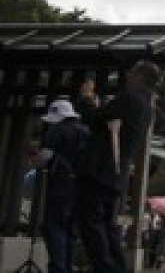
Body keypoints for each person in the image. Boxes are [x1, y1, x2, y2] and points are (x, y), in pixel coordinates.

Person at [75, 59, 160, 273]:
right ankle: (117, 267)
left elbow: (94, 118)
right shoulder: (147, 107)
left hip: (100, 168)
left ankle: (106, 268)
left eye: (132, 73)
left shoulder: (129, 98)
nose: (128, 77)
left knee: (92, 224)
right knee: (109, 226)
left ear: (139, 77)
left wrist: (86, 99)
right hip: (118, 171)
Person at [37, 99, 90, 273]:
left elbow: (45, 156)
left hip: (61, 183)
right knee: (71, 228)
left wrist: (37, 159)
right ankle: (68, 266)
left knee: (55, 226)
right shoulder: (85, 131)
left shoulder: (57, 130)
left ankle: (58, 268)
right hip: (82, 184)